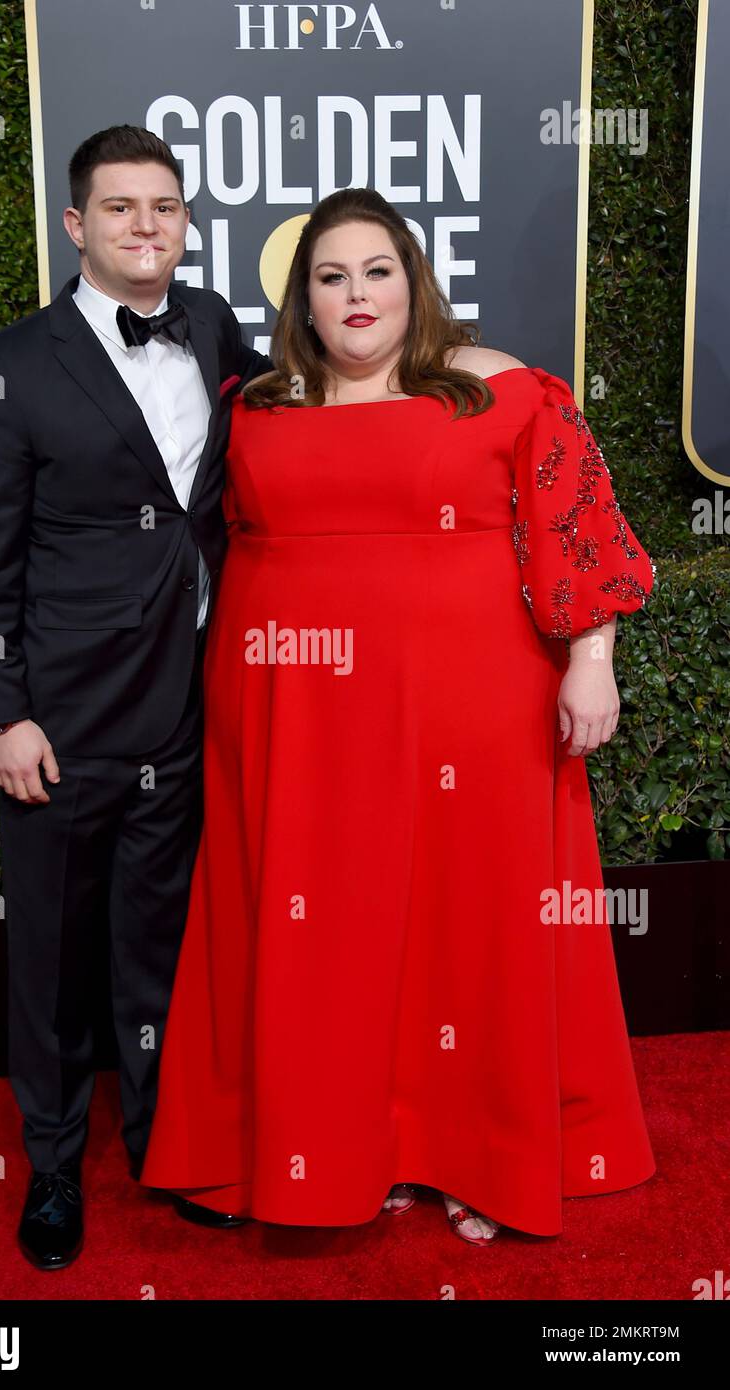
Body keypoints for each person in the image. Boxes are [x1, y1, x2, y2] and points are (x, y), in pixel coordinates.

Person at [139, 186, 658, 1245]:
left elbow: (579, 525)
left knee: (471, 923)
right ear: (304, 299)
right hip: (293, 715)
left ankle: (481, 1154)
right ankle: (331, 1145)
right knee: (323, 924)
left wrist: (589, 660)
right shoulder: (257, 404)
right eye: (331, 277)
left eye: (376, 270)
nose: (356, 293)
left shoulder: (502, 388)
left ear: (413, 282)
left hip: (473, 707)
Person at [0, 124, 271, 1269]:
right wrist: (4, 712)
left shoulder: (217, 328)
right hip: (63, 716)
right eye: (121, 207)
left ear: (185, 223)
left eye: (165, 207)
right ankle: (48, 1166)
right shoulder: (9, 366)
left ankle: (163, 1145)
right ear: (76, 225)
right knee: (52, 950)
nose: (147, 225)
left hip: (183, 704)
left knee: (159, 936)